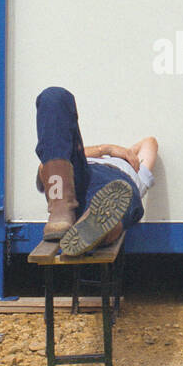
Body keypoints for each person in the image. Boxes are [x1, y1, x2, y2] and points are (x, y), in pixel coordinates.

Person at [35, 86, 157, 256]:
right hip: (74, 182)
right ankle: (63, 215)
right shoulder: (92, 159)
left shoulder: (138, 172)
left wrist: (128, 153)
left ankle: (94, 230)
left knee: (122, 196)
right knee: (54, 96)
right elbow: (46, 166)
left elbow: (150, 142)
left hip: (116, 188)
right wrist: (106, 149)